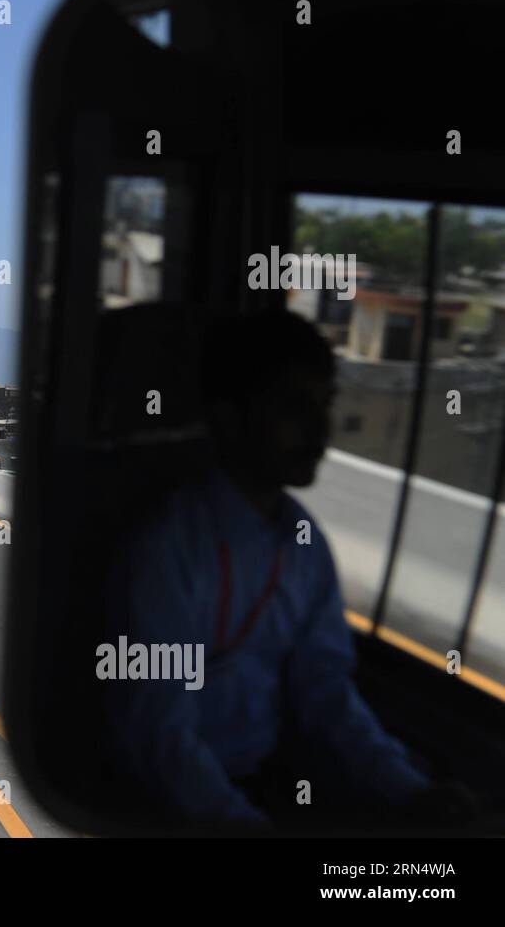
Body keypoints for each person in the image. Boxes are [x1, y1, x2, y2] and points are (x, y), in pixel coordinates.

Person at [102, 309, 476, 831]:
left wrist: (408, 788)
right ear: (231, 419)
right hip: (169, 807)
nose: (320, 429)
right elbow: (159, 733)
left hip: (264, 780)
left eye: (324, 405)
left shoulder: (301, 543)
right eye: (293, 408)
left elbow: (325, 689)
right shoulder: (168, 549)